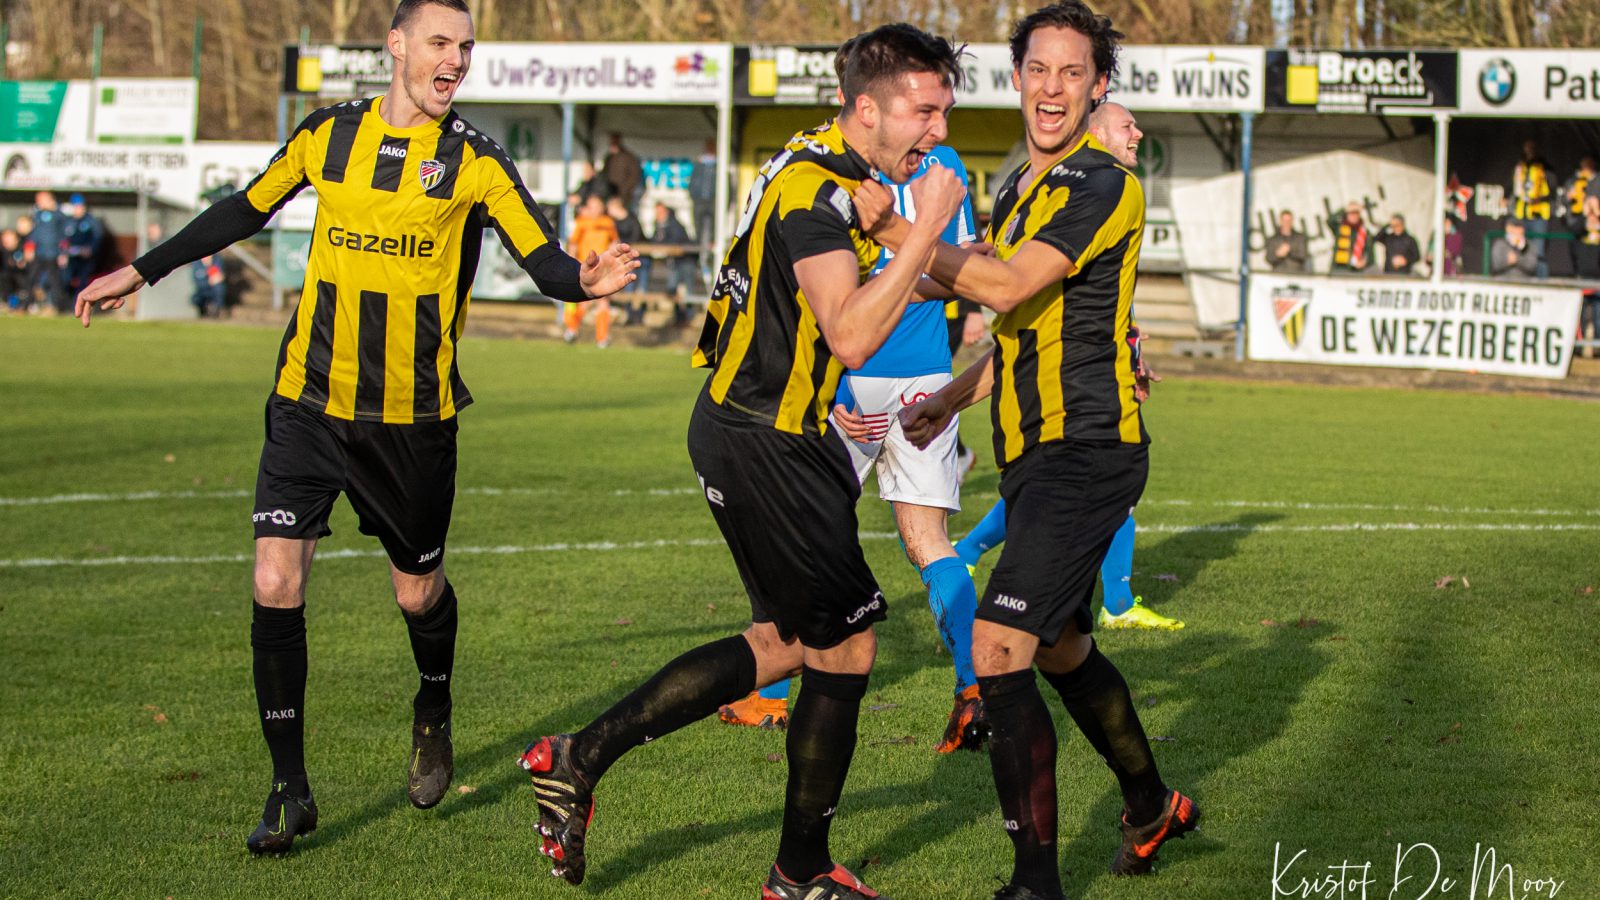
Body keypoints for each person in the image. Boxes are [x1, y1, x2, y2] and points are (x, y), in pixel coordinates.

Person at [73, 0, 638, 857]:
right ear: (398, 46)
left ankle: (433, 702)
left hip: (411, 421)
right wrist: (141, 270)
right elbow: (243, 210)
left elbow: (545, 257)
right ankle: (288, 788)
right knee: (274, 580)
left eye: (468, 48)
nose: (456, 61)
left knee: (417, 591)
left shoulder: (478, 162)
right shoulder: (326, 135)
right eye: (442, 44)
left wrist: (584, 283)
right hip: (307, 402)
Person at [517, 24, 965, 898]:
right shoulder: (815, 192)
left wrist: (973, 266)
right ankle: (799, 874)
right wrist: (927, 226)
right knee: (849, 647)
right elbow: (850, 329)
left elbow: (864, 280)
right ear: (867, 108)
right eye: (926, 110)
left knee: (790, 642)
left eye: (945, 111)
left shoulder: (825, 164)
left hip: (746, 426)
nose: (939, 131)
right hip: (768, 440)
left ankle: (580, 757)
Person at [857, 5, 1200, 897]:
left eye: (1070, 72)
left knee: (1000, 644)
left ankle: (1035, 882)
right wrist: (948, 396)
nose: (1052, 88)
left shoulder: (1101, 184)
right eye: (1036, 70)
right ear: (1018, 80)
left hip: (1088, 450)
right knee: (1060, 652)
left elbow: (1002, 281)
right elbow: (1009, 322)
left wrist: (898, 228)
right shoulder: (1019, 188)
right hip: (1034, 452)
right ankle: (1152, 804)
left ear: (1098, 86)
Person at [718, 116, 988, 752]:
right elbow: (965, 263)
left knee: (799, 536)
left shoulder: (842, 170)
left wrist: (835, 390)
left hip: (853, 373)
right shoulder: (948, 167)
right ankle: (974, 690)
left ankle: (770, 692)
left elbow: (829, 295)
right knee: (930, 542)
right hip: (928, 378)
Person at [949, 100, 1178, 634]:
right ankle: (972, 551)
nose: (1139, 133)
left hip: (1087, 416)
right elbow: (1015, 297)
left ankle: (1115, 603)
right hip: (1051, 418)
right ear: (1094, 131)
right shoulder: (1055, 189)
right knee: (1023, 641)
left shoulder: (1100, 190)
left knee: (1046, 643)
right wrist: (903, 247)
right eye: (1128, 125)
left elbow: (1097, 302)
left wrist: (1132, 356)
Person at [562, 194, 619, 346]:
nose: (595, 209)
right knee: (584, 303)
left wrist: (614, 261)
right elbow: (573, 244)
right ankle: (572, 328)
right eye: (593, 206)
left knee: (603, 302)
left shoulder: (607, 222)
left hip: (602, 268)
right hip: (585, 266)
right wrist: (571, 263)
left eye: (598, 206)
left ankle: (602, 338)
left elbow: (614, 241)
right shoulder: (582, 222)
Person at [1512, 138, 1553, 278]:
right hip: (1522, 213)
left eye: (1532, 148)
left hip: (1538, 215)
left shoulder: (1545, 167)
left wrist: (1539, 199)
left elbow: (1552, 189)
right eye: (1526, 148)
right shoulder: (1520, 165)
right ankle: (1522, 278)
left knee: (1539, 251)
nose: (1529, 151)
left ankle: (1542, 282)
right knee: (1520, 248)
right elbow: (1515, 189)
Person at [29, 191, 69, 314]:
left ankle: (55, 306)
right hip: (39, 253)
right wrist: (29, 248)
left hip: (53, 254)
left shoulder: (59, 215)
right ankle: (31, 304)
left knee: (54, 281)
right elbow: (34, 234)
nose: (38, 202)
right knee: (32, 279)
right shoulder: (38, 214)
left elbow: (64, 236)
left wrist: (63, 253)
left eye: (41, 199)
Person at [63, 193, 105, 296]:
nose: (77, 209)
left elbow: (97, 238)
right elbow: (62, 239)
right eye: (75, 207)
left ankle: (78, 304)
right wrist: (63, 253)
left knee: (83, 281)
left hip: (86, 257)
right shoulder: (68, 221)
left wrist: (90, 249)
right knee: (66, 279)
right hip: (71, 257)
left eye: (79, 206)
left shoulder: (91, 221)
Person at [1327, 200, 1373, 274]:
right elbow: (1329, 220)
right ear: (1346, 214)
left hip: (1357, 271)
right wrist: (1344, 209)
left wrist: (1364, 263)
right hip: (1339, 268)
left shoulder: (1364, 232)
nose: (1354, 216)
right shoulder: (1340, 228)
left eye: (1356, 213)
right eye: (1351, 213)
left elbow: (1369, 253)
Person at [602, 132, 642, 213]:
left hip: (624, 195)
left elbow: (634, 175)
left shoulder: (628, 157)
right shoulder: (608, 157)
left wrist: (624, 191)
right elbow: (604, 174)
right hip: (610, 194)